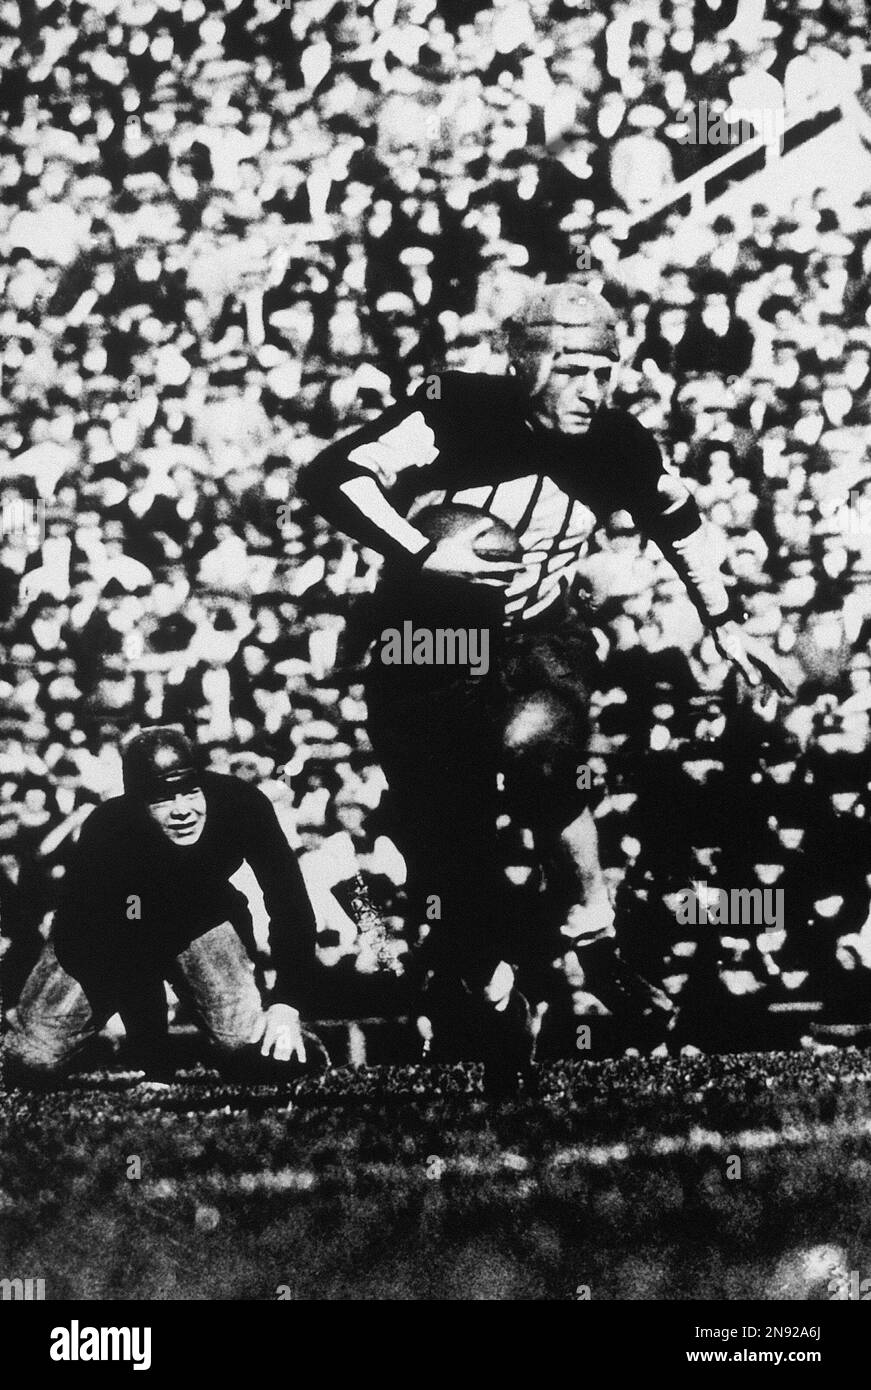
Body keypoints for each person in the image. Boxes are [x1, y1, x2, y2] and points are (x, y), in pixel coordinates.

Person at [300, 281, 778, 1091]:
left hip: (536, 632)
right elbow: (332, 475)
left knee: (537, 748)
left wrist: (724, 623)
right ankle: (486, 988)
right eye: (573, 369)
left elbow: (681, 523)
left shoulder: (618, 441)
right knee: (451, 850)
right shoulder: (454, 410)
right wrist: (422, 550)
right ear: (524, 361)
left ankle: (589, 928)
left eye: (604, 370)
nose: (593, 391)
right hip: (425, 641)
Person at [3, 726, 325, 1083]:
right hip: (100, 937)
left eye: (189, 792)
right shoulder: (110, 833)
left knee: (250, 1051)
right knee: (33, 1060)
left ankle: (292, 1041)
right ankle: (85, 1044)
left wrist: (287, 1004)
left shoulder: (241, 804)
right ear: (137, 803)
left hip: (201, 918)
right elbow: (132, 949)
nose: (181, 811)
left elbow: (289, 900)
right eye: (162, 799)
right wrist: (157, 1069)